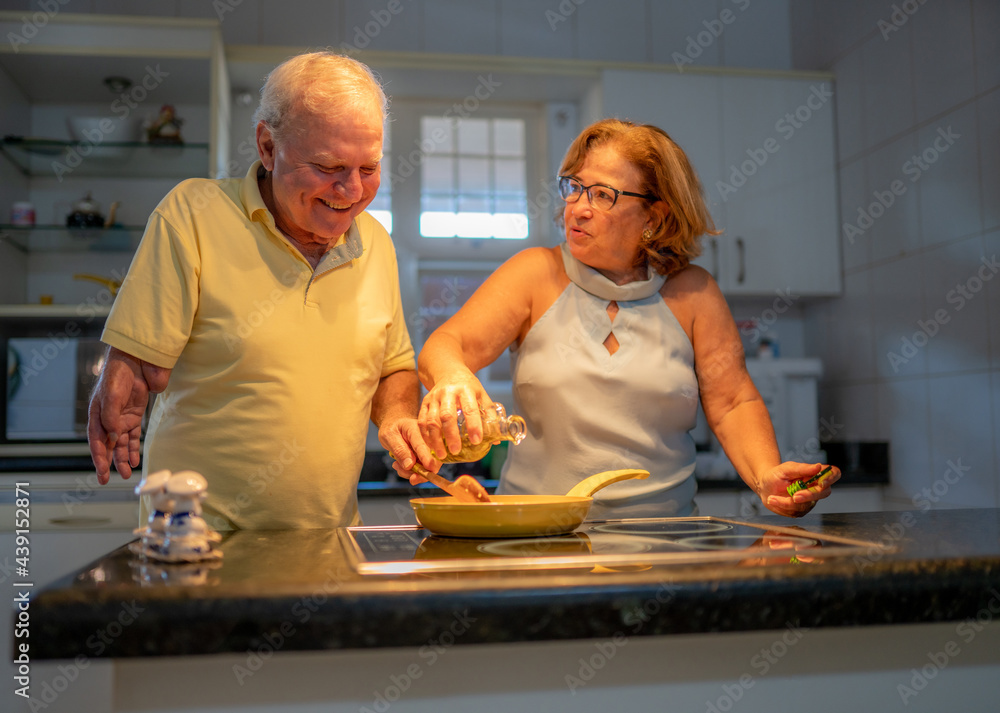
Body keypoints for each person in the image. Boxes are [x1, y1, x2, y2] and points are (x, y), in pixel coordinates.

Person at [402, 118, 839, 518]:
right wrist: (452, 377)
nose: (578, 207)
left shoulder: (695, 294)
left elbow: (731, 402)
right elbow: (446, 346)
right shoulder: (535, 273)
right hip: (535, 540)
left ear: (654, 215)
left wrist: (766, 477)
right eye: (574, 187)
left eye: (602, 194)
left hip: (662, 546)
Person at [87, 51, 435, 530]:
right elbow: (135, 356)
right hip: (197, 548)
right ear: (268, 147)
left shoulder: (376, 241)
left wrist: (397, 417)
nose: (351, 191)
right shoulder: (193, 214)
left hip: (328, 550)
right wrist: (122, 374)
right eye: (329, 166)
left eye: (368, 168)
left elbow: (393, 368)